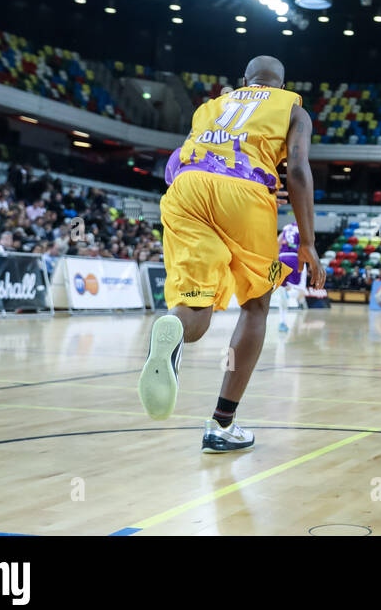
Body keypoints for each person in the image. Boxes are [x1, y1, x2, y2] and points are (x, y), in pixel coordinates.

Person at [137, 55, 326, 451]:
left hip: (186, 188)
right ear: (280, 83)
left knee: (195, 305)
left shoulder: (211, 106)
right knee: (255, 306)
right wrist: (307, 242)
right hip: (244, 188)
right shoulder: (293, 108)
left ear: (246, 80)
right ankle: (222, 424)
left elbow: (178, 161)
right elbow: (297, 170)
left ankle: (173, 331)